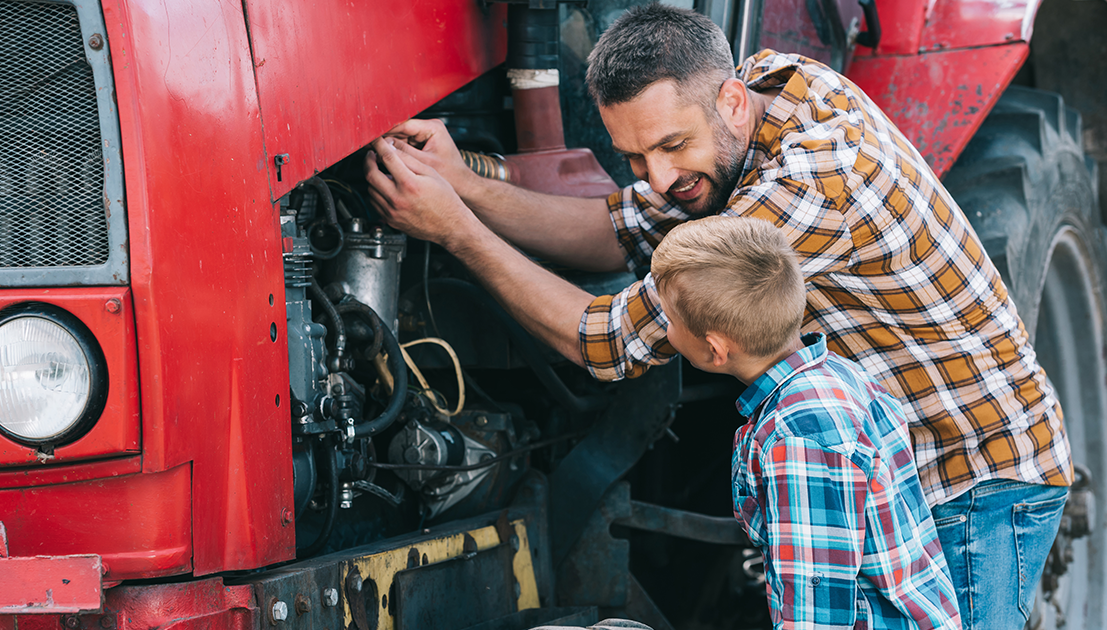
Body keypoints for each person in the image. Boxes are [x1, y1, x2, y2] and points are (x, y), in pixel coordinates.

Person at [363, 4, 1070, 628]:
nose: (660, 178)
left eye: (672, 148)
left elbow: (608, 341)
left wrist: (454, 229)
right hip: (890, 464)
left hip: (972, 474)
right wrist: (465, 183)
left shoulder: (809, 185)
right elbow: (622, 225)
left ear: (731, 102)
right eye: (636, 156)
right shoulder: (761, 93)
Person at [650, 215, 961, 629]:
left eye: (670, 320)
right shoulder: (836, 374)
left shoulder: (799, 434)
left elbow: (818, 602)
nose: (666, 329)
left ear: (715, 348)